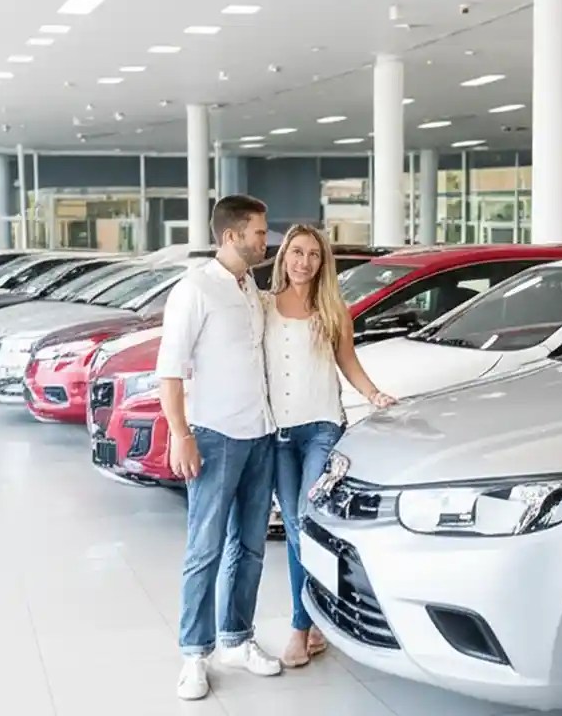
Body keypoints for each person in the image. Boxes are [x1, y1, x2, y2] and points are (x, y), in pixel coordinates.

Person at [157, 194, 282, 700]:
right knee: (204, 548)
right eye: (258, 232)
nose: (265, 240)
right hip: (214, 435)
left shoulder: (249, 285)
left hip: (260, 434)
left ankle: (237, 638)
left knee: (249, 547)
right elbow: (169, 370)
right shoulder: (194, 290)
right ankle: (194, 654)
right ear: (231, 236)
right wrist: (181, 434)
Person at [263, 224, 396, 667]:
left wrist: (375, 394)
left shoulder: (333, 309)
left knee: (302, 523)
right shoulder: (264, 308)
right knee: (299, 530)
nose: (304, 262)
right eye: (297, 253)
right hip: (278, 435)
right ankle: (318, 618)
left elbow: (348, 363)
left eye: (313, 255)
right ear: (284, 256)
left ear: (323, 263)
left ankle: (303, 626)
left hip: (321, 428)